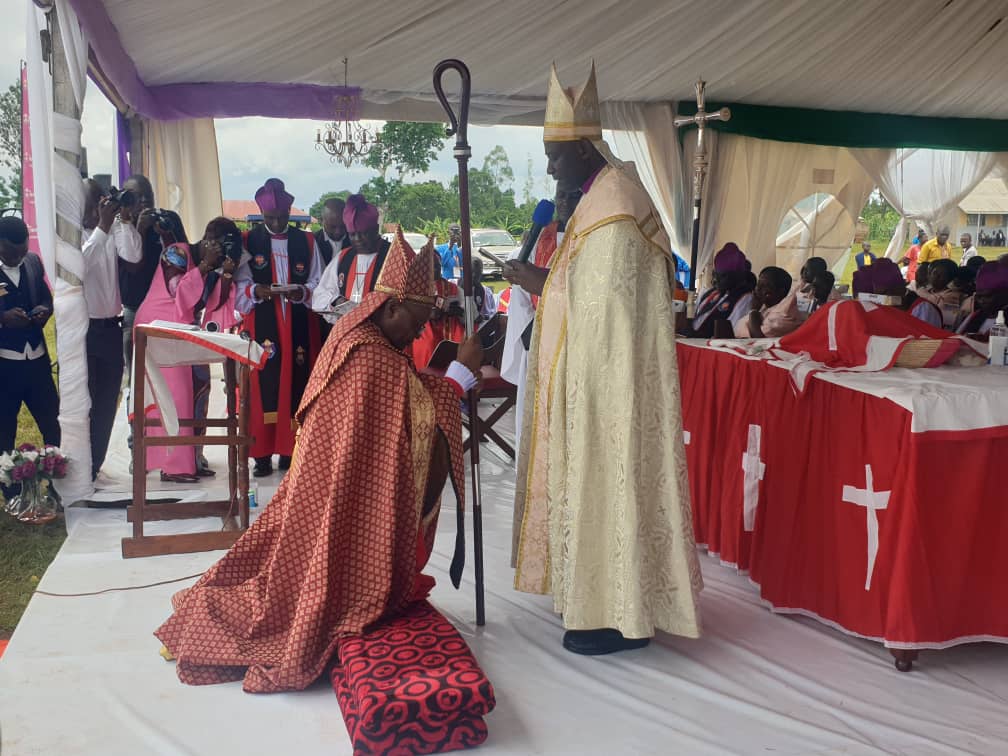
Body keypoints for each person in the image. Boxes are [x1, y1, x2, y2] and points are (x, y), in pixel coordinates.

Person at [154, 231, 484, 693]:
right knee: (308, 594)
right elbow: (419, 418)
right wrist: (458, 379)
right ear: (390, 308)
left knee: (285, 562)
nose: (418, 334)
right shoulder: (373, 359)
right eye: (416, 321)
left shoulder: (355, 334)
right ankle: (221, 623)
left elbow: (402, 405)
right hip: (341, 494)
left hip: (321, 483)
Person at [508, 63, 701, 656]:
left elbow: (606, 307)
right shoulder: (597, 200)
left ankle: (619, 615)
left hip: (607, 383)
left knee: (608, 486)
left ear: (588, 149)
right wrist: (546, 281)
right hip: (587, 375)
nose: (549, 168)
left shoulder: (617, 208)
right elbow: (580, 288)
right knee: (591, 489)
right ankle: (594, 598)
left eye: (556, 156)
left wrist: (542, 283)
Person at [235, 178, 323, 478]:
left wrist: (302, 292)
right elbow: (240, 285)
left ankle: (290, 450)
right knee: (262, 384)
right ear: (262, 215)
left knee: (297, 382)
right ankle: (260, 455)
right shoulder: (248, 242)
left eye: (281, 217)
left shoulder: (306, 242)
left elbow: (318, 282)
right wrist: (256, 292)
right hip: (263, 322)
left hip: (297, 321)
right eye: (270, 218)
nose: (276, 222)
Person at [500, 181, 582, 442]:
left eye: (574, 194)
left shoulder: (591, 236)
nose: (566, 201)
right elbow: (522, 300)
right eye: (561, 195)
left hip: (578, 341)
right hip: (538, 339)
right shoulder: (539, 240)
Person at [81, 179, 142, 481]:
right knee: (85, 400)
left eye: (104, 201)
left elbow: (132, 256)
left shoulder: (112, 228)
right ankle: (80, 463)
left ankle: (94, 465)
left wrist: (125, 221)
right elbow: (79, 267)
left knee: (107, 401)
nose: (102, 207)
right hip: (83, 330)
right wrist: (102, 227)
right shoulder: (73, 234)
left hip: (111, 328)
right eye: (96, 201)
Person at [133, 213, 199, 483]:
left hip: (170, 327)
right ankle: (174, 466)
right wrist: (204, 269)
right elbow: (177, 290)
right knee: (173, 397)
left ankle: (183, 461)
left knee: (178, 395)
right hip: (159, 327)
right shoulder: (175, 252)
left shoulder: (180, 251)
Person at [0, 217, 60, 466]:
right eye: (10, 254)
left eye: (22, 252)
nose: (17, 258)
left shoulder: (33, 262)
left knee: (54, 424)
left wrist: (45, 310)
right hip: (5, 365)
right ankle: (11, 491)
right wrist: (2, 318)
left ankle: (58, 480)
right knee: (4, 431)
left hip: (36, 360)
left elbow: (46, 296)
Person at [312, 194, 390, 322]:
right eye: (352, 235)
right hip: (346, 335)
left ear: (376, 229)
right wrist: (337, 301)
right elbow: (319, 296)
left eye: (363, 233)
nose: (358, 240)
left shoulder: (394, 256)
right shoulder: (343, 257)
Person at [681, 242, 755, 338]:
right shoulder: (710, 293)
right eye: (715, 274)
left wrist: (698, 336)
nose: (716, 280)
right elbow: (697, 319)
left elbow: (731, 331)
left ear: (737, 276)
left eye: (723, 276)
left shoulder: (745, 298)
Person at [410, 247, 465, 370]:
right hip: (423, 330)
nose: (435, 270)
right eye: (430, 266)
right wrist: (428, 313)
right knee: (428, 346)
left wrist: (457, 311)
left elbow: (469, 313)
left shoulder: (454, 289)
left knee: (458, 346)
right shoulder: (414, 287)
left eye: (438, 266)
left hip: (450, 329)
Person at [865, 258, 943, 328]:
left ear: (900, 285)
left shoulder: (924, 310)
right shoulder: (876, 302)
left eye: (884, 293)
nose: (881, 299)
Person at [735, 266, 802, 338]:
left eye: (765, 285)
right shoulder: (765, 305)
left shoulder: (785, 314)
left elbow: (759, 339)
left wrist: (754, 310)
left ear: (781, 291)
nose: (758, 288)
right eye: (758, 284)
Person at [956, 261, 1008, 336]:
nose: (982, 301)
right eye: (979, 296)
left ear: (1003, 294)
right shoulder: (974, 316)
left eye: (988, 296)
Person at [918, 258, 961, 328]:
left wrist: (921, 295)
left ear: (950, 278)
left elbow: (947, 320)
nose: (936, 277)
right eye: (934, 273)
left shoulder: (953, 296)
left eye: (941, 275)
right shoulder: (925, 290)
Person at [314, 197, 349, 267]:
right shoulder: (312, 242)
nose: (338, 232)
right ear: (321, 220)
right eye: (332, 227)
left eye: (343, 226)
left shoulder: (357, 243)